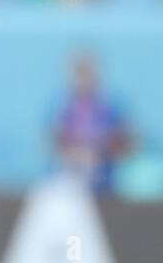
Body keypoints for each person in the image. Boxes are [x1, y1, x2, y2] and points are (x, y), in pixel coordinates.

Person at [54, 54, 131, 195]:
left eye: (87, 73)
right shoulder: (63, 110)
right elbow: (56, 144)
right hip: (72, 183)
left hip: (106, 185)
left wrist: (98, 155)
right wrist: (74, 155)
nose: (83, 80)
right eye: (79, 74)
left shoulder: (111, 109)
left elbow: (124, 144)